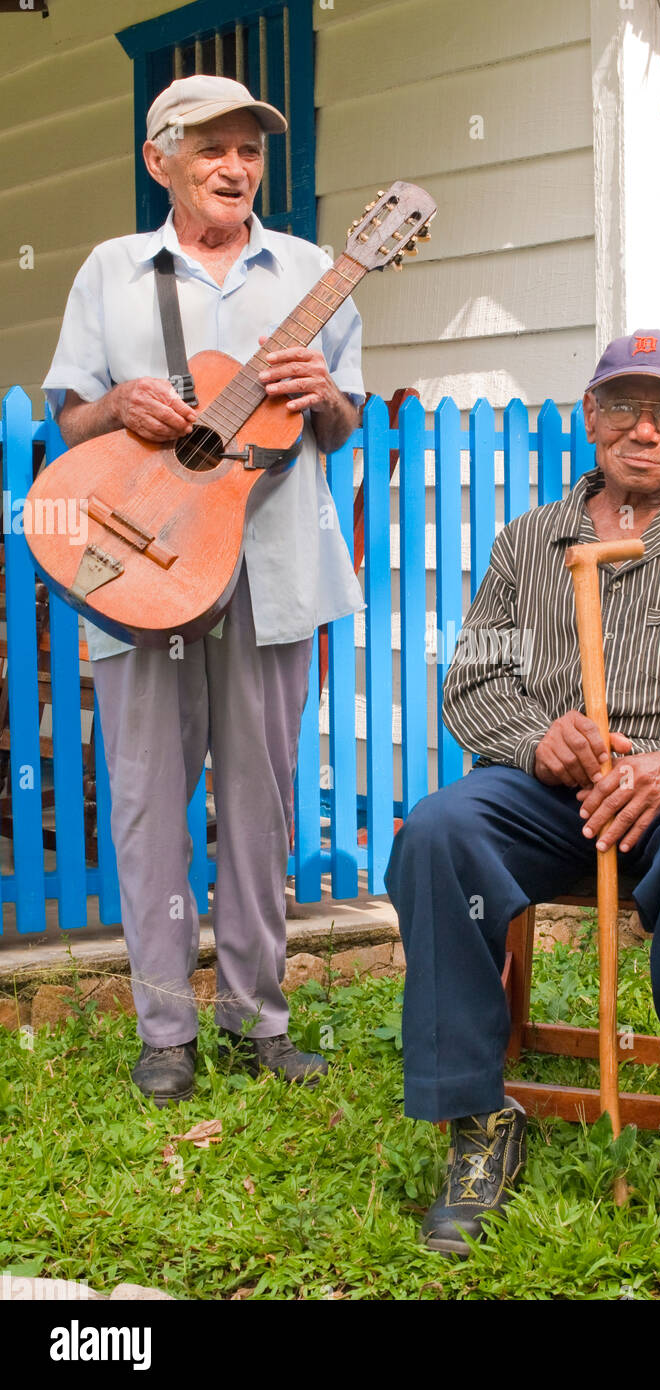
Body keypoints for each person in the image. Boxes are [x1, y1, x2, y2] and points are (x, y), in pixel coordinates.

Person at [385, 330, 660, 1250]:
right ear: (590, 417)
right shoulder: (530, 540)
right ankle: (479, 1124)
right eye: (623, 405)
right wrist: (540, 741)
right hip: (559, 792)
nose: (643, 429)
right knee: (437, 831)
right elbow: (473, 680)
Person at [42, 75, 365, 1106]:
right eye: (212, 149)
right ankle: (163, 1029)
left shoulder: (317, 270)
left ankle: (257, 1017)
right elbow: (68, 421)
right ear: (159, 160)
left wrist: (322, 399)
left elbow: (347, 421)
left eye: (250, 151)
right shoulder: (110, 270)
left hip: (273, 575)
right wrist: (116, 411)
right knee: (144, 806)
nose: (236, 168)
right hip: (143, 561)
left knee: (261, 806)